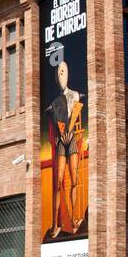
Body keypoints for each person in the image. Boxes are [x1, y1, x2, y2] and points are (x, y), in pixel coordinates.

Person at [45, 59, 86, 238]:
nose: (62, 75)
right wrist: (59, 135)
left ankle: (75, 216)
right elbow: (53, 126)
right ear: (56, 78)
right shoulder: (54, 103)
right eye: (59, 72)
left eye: (64, 71)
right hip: (62, 142)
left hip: (74, 140)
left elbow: (78, 119)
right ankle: (56, 222)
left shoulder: (77, 95)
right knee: (59, 180)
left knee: (75, 178)